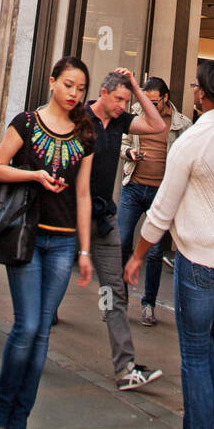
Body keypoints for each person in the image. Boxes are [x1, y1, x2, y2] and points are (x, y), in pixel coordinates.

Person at [124, 59, 214, 429]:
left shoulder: (192, 139)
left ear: (204, 94)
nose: (195, 92)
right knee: (204, 347)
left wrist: (138, 255)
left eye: (197, 87)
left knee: (194, 354)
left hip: (198, 259)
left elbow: (162, 210)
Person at [0, 56, 94, 429]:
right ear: (52, 82)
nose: (74, 94)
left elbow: (84, 194)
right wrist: (35, 175)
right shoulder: (26, 123)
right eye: (68, 85)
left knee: (43, 330)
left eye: (81, 89)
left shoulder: (85, 134)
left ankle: (19, 420)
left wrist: (84, 250)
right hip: (27, 236)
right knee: (28, 326)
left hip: (63, 243)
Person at [86, 67, 165, 390]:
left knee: (115, 291)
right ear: (103, 94)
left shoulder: (120, 121)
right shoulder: (81, 118)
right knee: (54, 283)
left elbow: (157, 125)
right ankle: (33, 342)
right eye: (118, 99)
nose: (122, 106)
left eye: (126, 100)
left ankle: (126, 368)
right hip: (71, 216)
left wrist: (134, 85)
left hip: (103, 218)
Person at [118, 76, 191, 326]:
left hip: (161, 193)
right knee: (121, 242)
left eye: (154, 102)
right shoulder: (134, 115)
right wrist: (129, 152)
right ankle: (119, 302)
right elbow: (121, 141)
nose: (149, 106)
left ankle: (148, 304)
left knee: (155, 251)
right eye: (145, 101)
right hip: (133, 187)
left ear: (165, 98)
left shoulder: (182, 124)